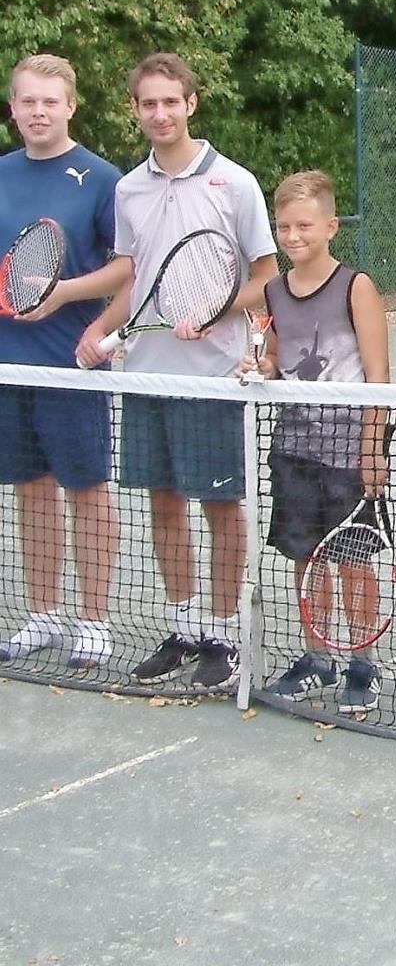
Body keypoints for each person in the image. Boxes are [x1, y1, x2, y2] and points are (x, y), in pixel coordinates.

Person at [76, 53, 278, 691]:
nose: (160, 114)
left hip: (212, 377)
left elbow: (269, 276)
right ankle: (185, 624)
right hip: (147, 374)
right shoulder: (128, 189)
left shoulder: (236, 184)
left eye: (171, 101)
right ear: (135, 110)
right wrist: (101, 330)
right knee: (163, 505)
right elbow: (134, 278)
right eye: (148, 103)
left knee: (221, 507)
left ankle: (224, 634)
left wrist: (215, 308)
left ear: (191, 104)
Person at [0, 55, 122, 669]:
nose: (39, 112)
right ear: (14, 107)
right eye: (28, 101)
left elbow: (128, 267)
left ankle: (93, 622)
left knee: (88, 493)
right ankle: (44, 614)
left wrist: (66, 297)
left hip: (71, 366)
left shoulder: (101, 179)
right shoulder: (0, 174)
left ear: (71, 106)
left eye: (51, 101)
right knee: (30, 493)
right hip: (9, 369)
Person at [253, 171, 390, 714]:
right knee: (304, 560)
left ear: (331, 226)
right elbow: (273, 358)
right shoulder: (270, 292)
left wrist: (372, 448)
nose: (292, 236)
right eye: (283, 226)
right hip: (293, 449)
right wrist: (258, 364)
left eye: (304, 225)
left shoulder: (356, 286)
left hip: (347, 452)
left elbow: (379, 375)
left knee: (353, 562)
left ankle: (362, 663)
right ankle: (317, 658)